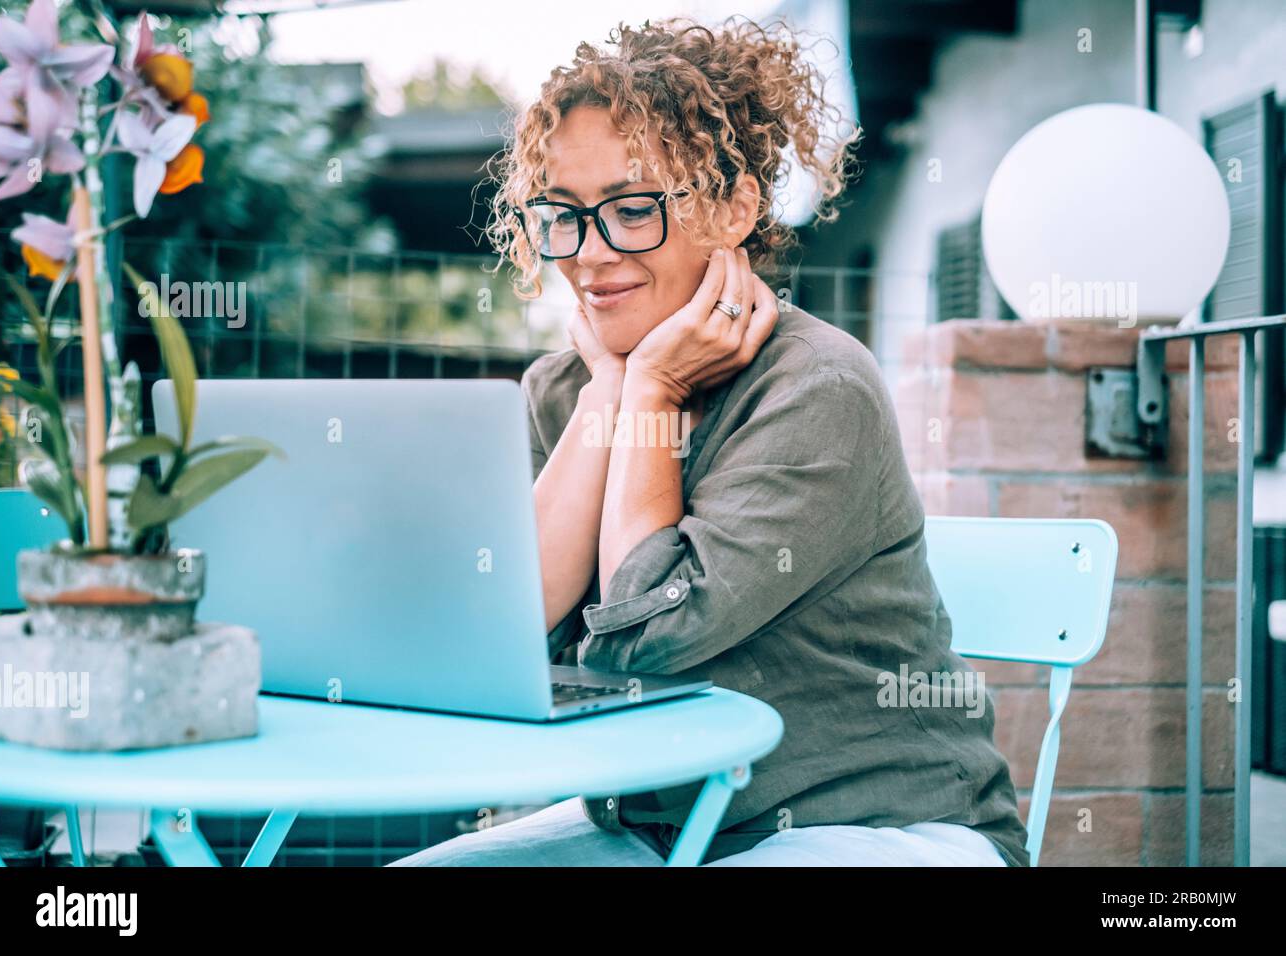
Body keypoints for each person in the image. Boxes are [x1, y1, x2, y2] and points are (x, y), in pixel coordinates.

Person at [390, 15, 1028, 867]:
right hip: (660, 830)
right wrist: (613, 391)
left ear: (733, 208)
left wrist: (653, 386)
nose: (589, 254)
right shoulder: (564, 389)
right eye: (565, 216)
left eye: (630, 208)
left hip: (879, 827)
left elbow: (647, 641)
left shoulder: (816, 387)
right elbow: (498, 633)